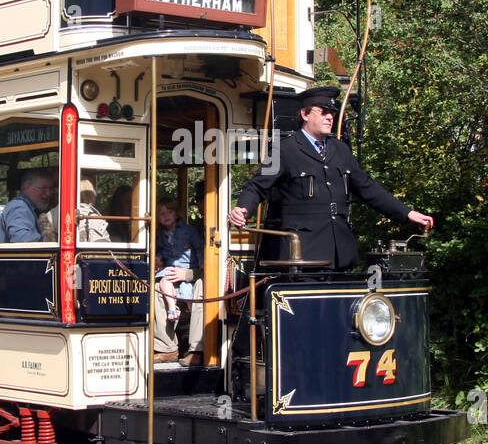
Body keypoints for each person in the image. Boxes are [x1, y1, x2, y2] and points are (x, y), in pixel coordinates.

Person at [228, 85, 434, 269]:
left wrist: (407, 213)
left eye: (332, 113)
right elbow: (257, 187)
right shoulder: (285, 149)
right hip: (303, 256)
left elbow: (368, 188)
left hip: (340, 254)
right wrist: (242, 208)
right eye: (323, 112)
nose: (329, 117)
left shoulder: (340, 150)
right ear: (305, 114)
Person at [153, 199, 204, 364]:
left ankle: (197, 350)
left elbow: (200, 250)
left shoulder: (189, 231)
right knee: (157, 287)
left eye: (169, 212)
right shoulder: (160, 234)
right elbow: (161, 251)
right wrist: (158, 260)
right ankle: (167, 348)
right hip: (172, 272)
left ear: (176, 213)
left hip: (193, 272)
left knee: (200, 288)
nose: (166, 216)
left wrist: (197, 269)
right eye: (162, 213)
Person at [0, 168, 56, 242]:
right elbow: (22, 239)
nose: (48, 193)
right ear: (27, 187)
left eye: (51, 189)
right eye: (43, 188)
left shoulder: (32, 209)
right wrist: (50, 241)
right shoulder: (19, 207)